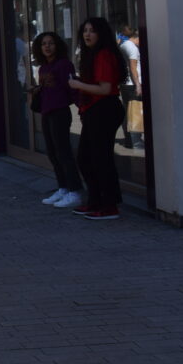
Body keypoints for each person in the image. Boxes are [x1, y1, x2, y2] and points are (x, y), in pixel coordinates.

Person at [69, 17, 126, 220]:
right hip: (95, 109)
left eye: (92, 31)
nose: (87, 34)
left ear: (101, 33)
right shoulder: (93, 55)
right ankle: (95, 201)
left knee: (100, 159)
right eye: (85, 30)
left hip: (104, 109)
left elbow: (105, 89)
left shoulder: (104, 55)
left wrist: (78, 85)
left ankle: (109, 205)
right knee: (86, 157)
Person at [29, 31, 82, 209]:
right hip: (46, 112)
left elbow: (71, 89)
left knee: (63, 152)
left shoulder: (64, 65)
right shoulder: (43, 68)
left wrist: (81, 107)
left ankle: (75, 191)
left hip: (60, 112)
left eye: (51, 43)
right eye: (44, 43)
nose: (47, 46)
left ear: (57, 45)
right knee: (52, 152)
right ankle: (63, 187)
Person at [117, 25, 143, 149]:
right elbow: (133, 67)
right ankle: (135, 141)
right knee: (135, 112)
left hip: (126, 84)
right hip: (132, 84)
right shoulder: (132, 48)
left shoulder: (124, 45)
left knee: (129, 112)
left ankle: (129, 140)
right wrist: (138, 85)